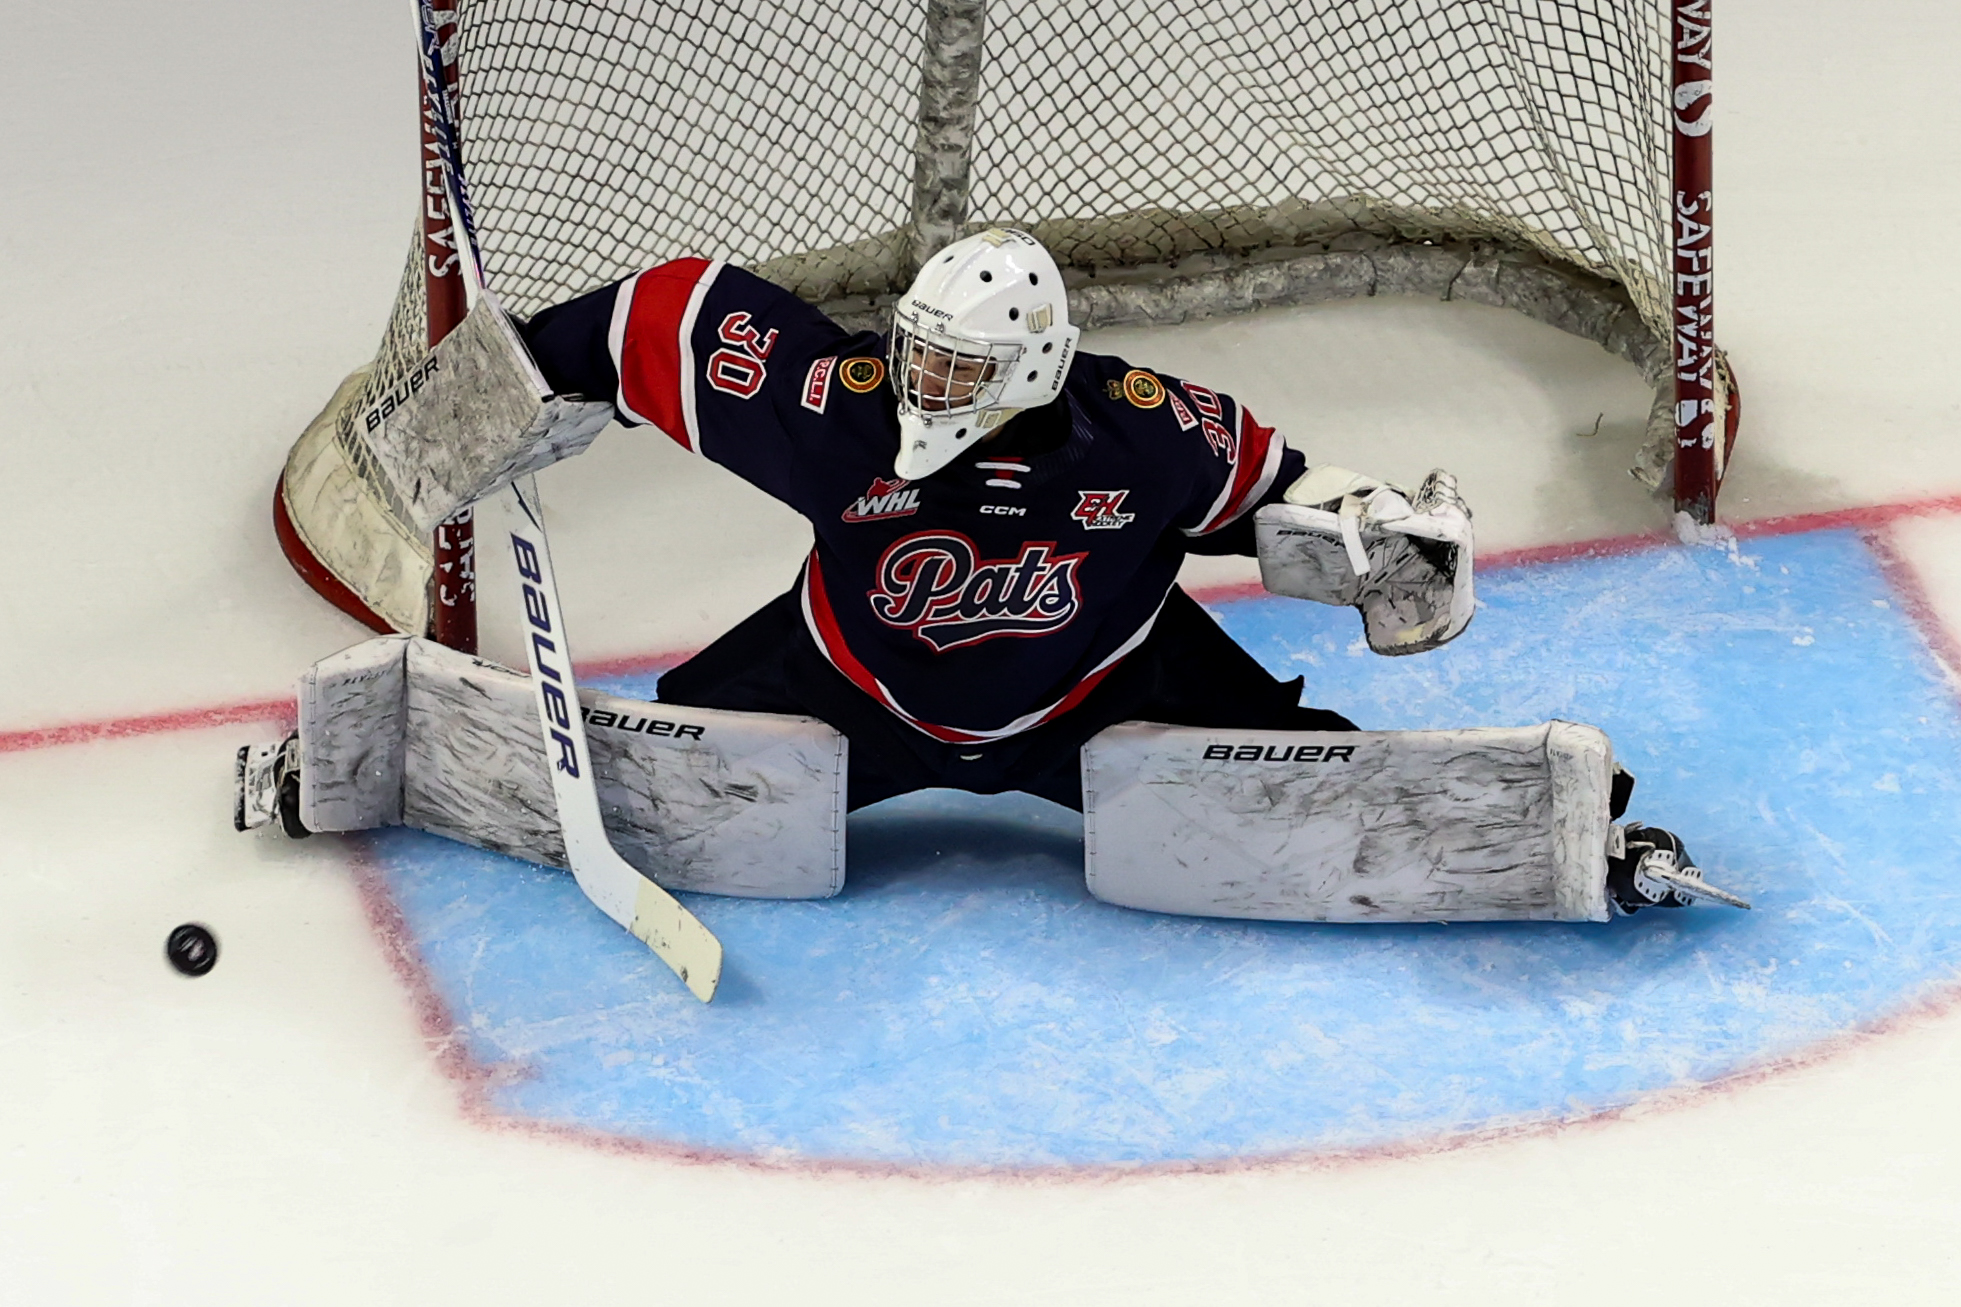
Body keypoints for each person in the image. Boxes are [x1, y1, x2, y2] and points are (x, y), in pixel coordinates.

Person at [518, 226, 1354, 814]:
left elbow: (1274, 492)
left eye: (957, 368)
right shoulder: (835, 409)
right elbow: (662, 319)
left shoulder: (1144, 432)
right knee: (658, 770)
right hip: (848, 689)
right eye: (916, 352)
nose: (923, 384)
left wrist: (1374, 533)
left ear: (1034, 366)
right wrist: (522, 369)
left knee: (1313, 773)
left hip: (1102, 691)